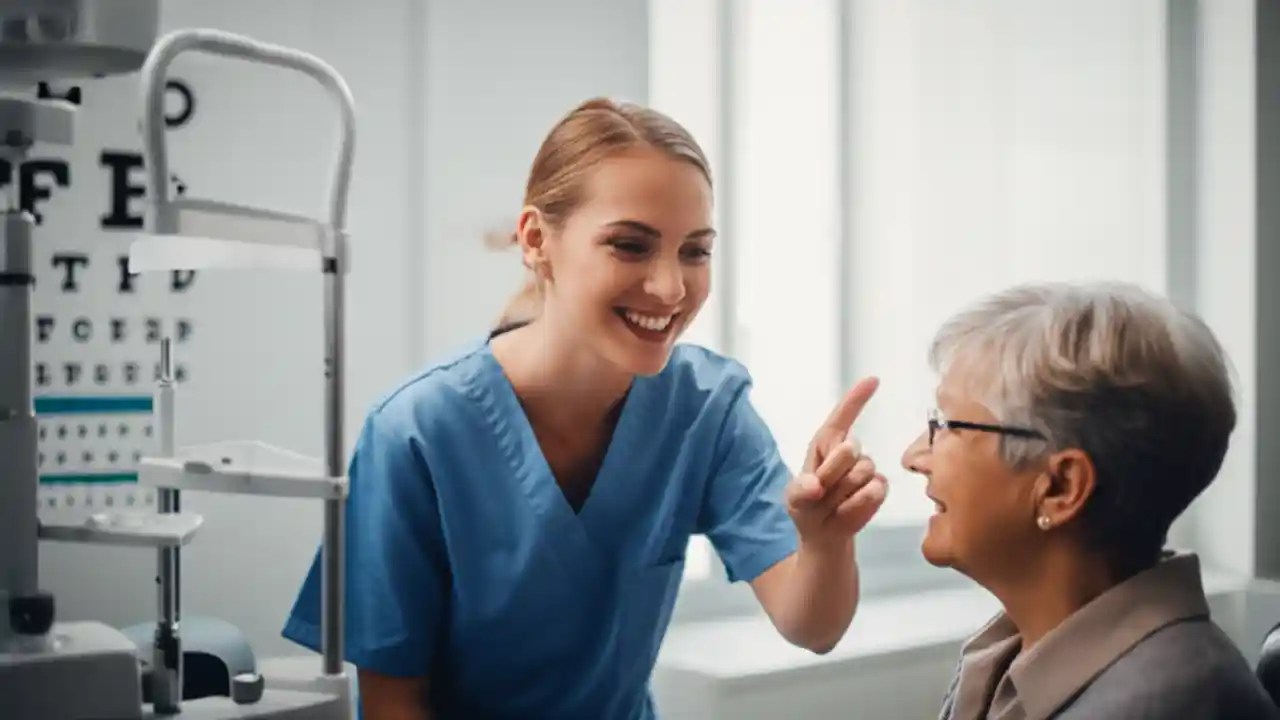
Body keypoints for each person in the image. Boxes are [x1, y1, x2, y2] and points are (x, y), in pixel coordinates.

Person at [282, 97, 889, 719]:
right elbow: (392, 703)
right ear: (537, 240)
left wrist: (824, 541)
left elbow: (812, 627)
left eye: (695, 251)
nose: (671, 287)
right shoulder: (417, 432)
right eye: (630, 246)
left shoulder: (707, 411)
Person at [901, 282, 1279, 719]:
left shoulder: (1163, 703)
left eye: (949, 425)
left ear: (1061, 487)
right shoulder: (1007, 654)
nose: (914, 457)